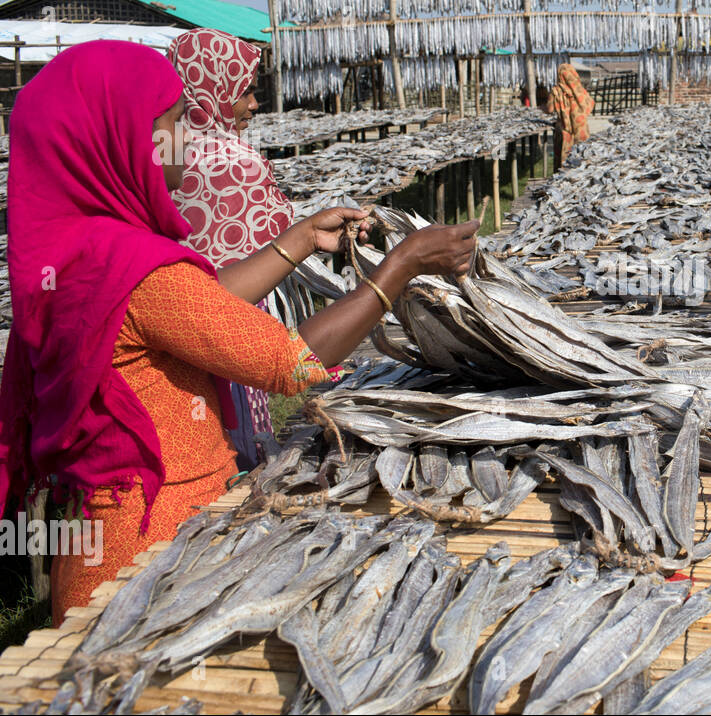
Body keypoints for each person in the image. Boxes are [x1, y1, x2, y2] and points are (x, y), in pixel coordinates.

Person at [0, 41, 479, 624]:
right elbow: (296, 363)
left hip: (102, 539)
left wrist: (298, 239)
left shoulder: (79, 250)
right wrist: (399, 267)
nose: (189, 141)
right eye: (176, 124)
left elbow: (197, 312)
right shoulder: (138, 269)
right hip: (149, 555)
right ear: (121, 137)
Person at [167, 28, 295, 470]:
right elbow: (277, 237)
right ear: (215, 91)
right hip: (224, 320)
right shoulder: (236, 163)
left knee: (191, 419)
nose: (253, 105)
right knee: (241, 438)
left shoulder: (160, 155)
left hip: (170, 327)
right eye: (244, 92)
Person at [546, 63, 594, 159]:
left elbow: (550, 109)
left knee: (565, 159)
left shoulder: (556, 91)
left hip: (564, 129)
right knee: (582, 156)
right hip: (581, 129)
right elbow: (590, 104)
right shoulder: (580, 89)